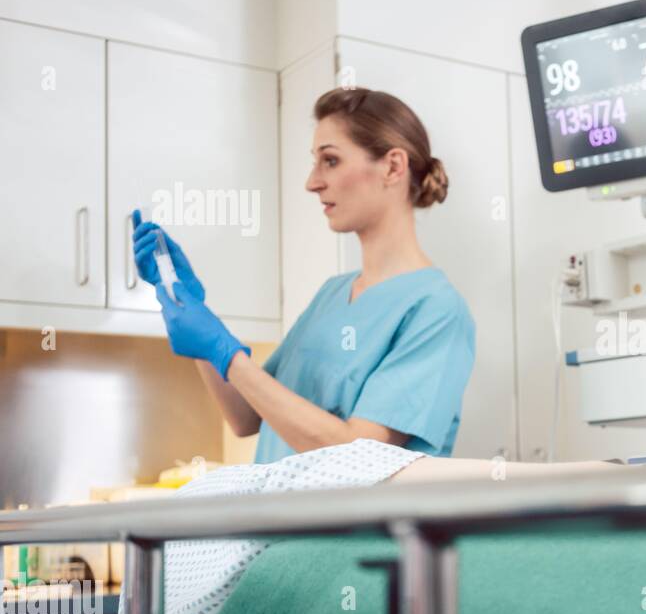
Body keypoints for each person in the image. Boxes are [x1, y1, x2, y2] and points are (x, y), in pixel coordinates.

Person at [133, 87, 474, 462]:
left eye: (330, 161)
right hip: (278, 520)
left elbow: (357, 455)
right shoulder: (333, 294)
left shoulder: (437, 311)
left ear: (393, 167)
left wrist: (227, 353)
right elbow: (246, 417)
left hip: (354, 523)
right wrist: (196, 314)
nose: (312, 183)